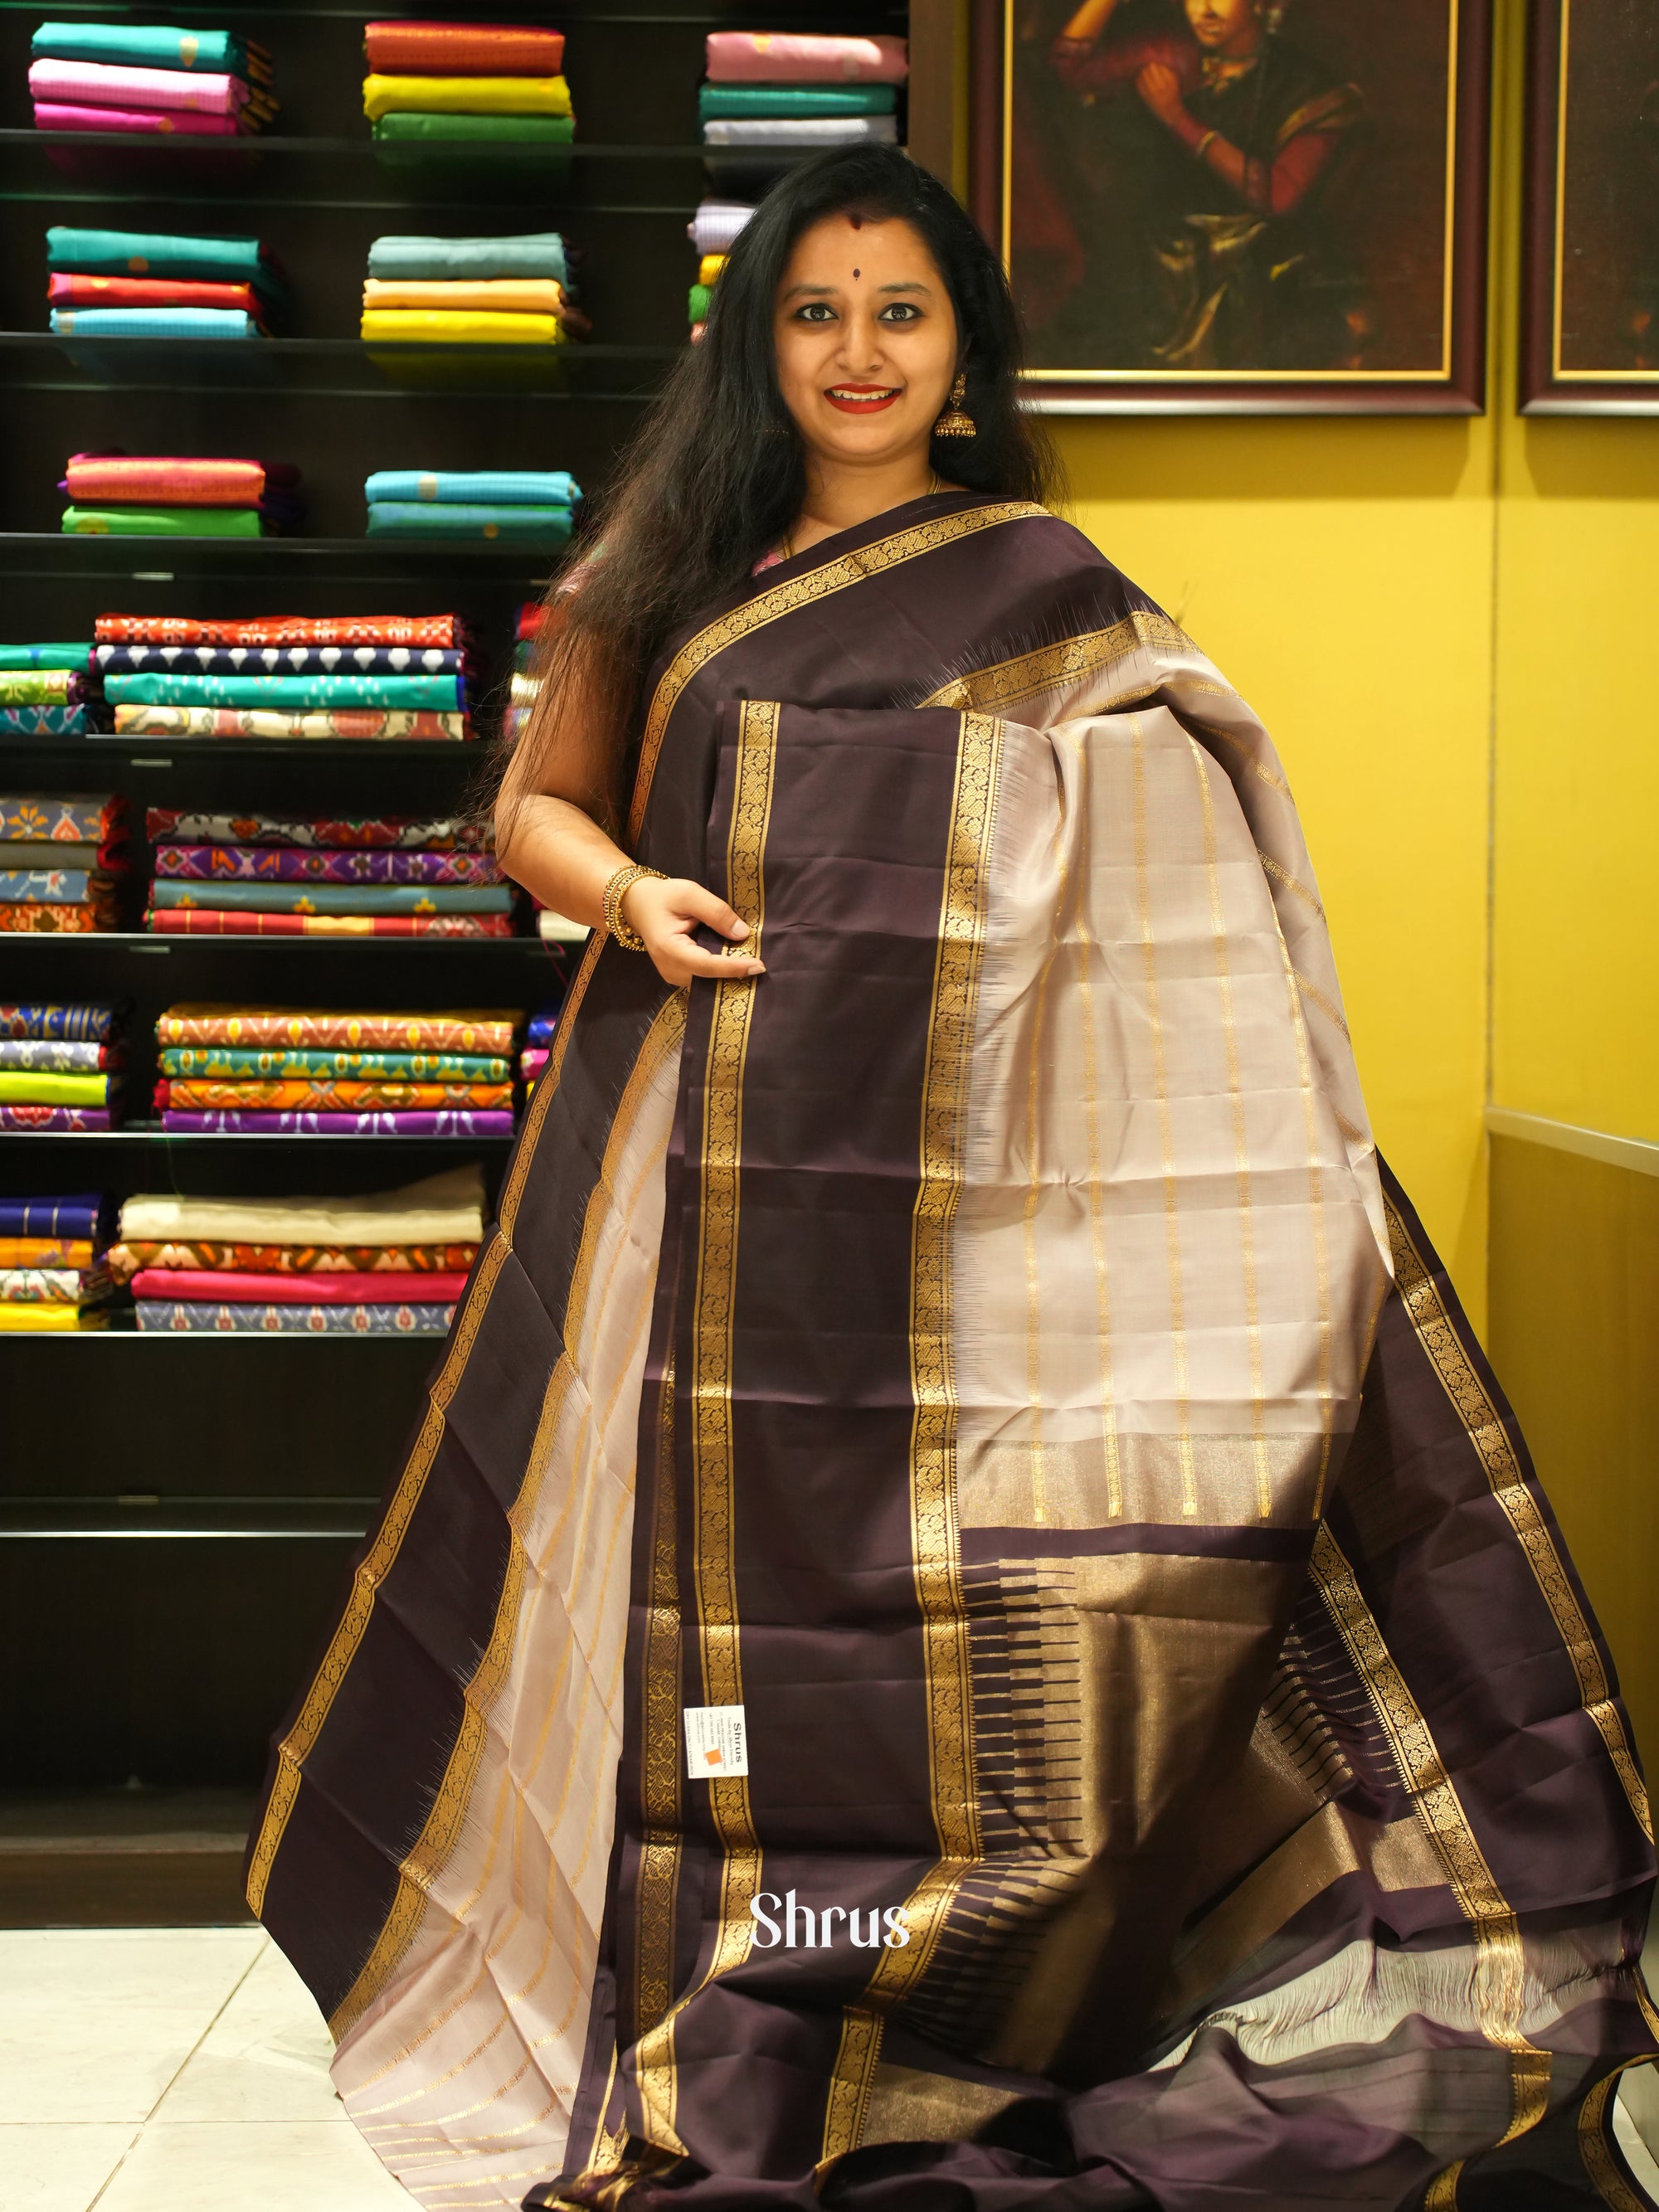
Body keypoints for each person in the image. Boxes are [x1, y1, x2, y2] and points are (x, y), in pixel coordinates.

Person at [245, 144, 1656, 2210]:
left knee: (934, 1579)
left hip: (958, 1184)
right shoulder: (671, 561)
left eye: (897, 312)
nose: (856, 353)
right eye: (814, 312)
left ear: (961, 348)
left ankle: (971, 1966)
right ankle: (649, 1965)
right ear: (758, 345)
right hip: (702, 1146)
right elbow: (532, 812)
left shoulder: (1048, 588)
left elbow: (1170, 892)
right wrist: (634, 890)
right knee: (654, 1591)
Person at [1044, 0, 1365, 367]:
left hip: (1254, 268)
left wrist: (1178, 119)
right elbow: (1067, 63)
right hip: (1157, 264)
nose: (1205, 9)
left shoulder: (1308, 88)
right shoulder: (1172, 55)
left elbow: (1278, 195)